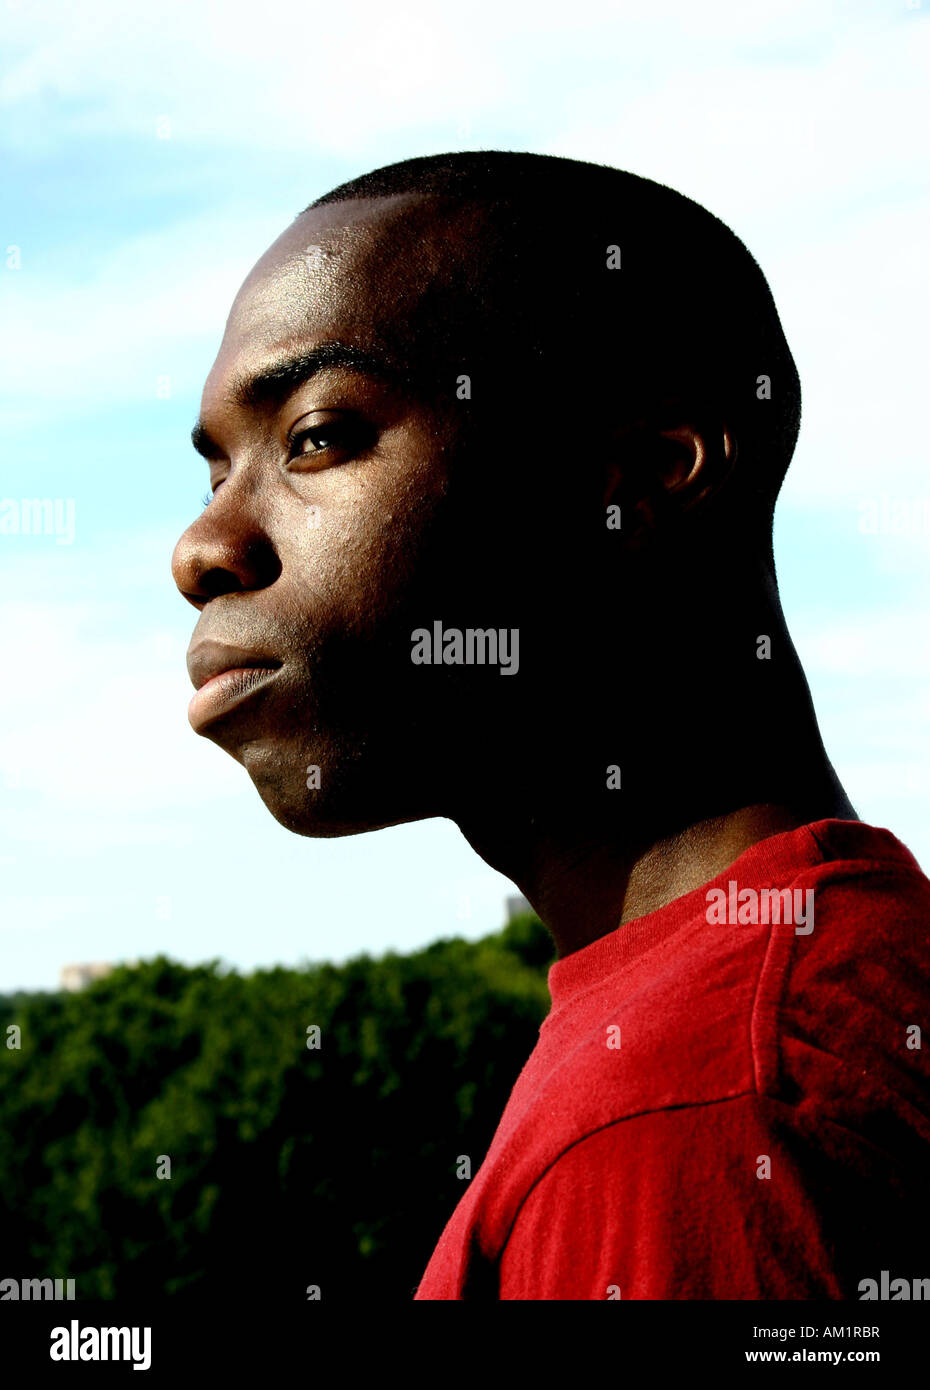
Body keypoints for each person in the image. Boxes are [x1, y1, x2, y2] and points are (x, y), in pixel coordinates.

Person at [171, 152, 930, 1299]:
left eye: (317, 436)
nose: (202, 551)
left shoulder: (690, 1121)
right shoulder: (808, 992)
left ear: (645, 474)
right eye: (217, 470)